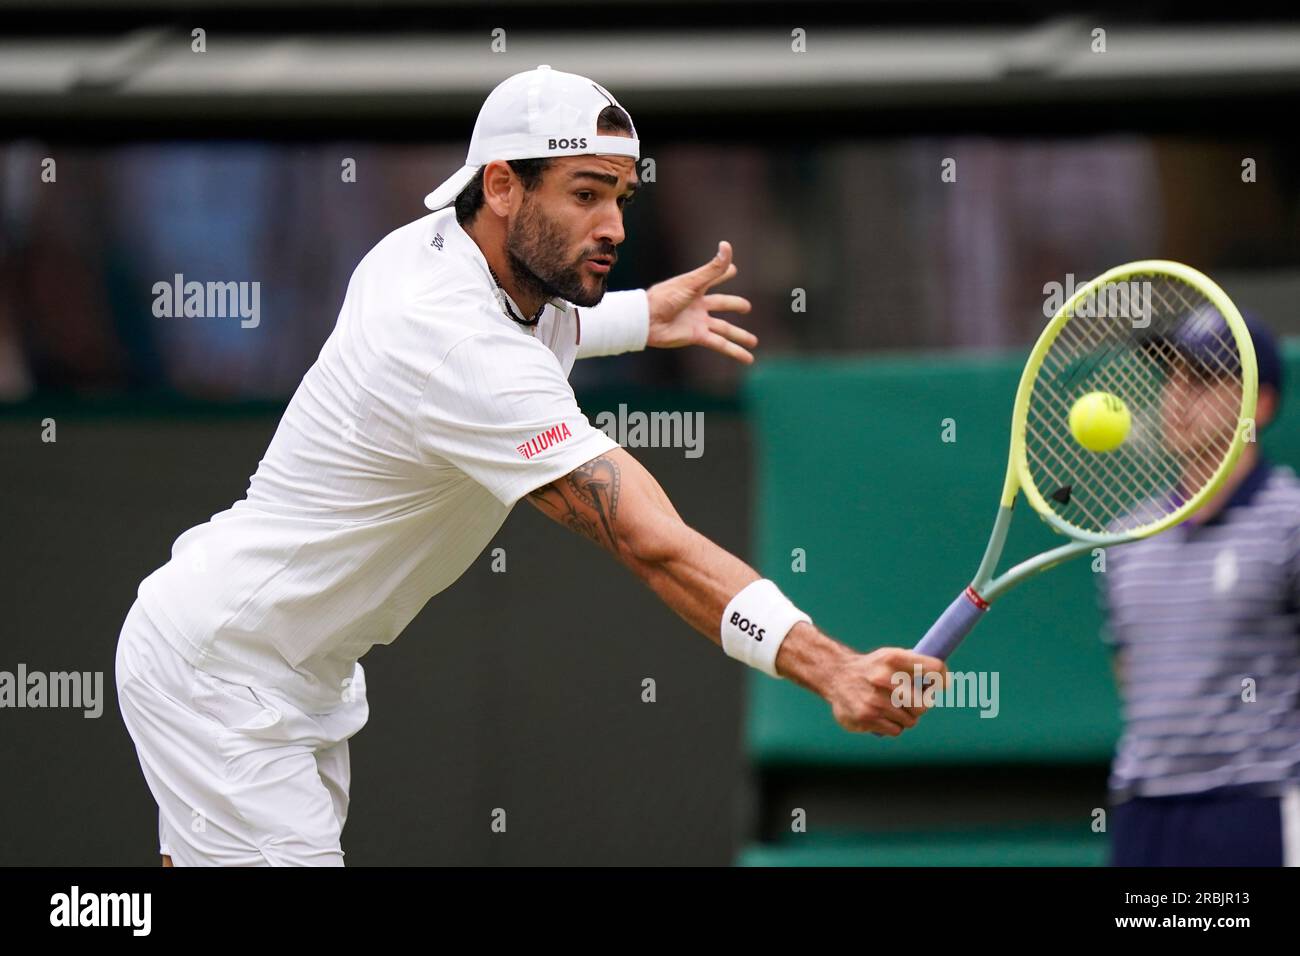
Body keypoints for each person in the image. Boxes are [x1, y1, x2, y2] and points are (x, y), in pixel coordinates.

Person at [115, 65, 945, 866]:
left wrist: (640, 315)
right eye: (585, 194)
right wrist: (827, 665)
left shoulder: (438, 251)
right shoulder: (449, 342)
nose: (616, 226)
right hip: (224, 677)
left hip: (275, 663)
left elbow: (540, 327)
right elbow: (650, 541)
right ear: (504, 186)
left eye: (620, 196)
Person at [1101, 313, 1300, 866]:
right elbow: (1131, 671)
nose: (1178, 398)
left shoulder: (1292, 522)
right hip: (1144, 815)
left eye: (1205, 380)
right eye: (1172, 377)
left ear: (1259, 407)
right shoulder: (1123, 538)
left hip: (1255, 809)